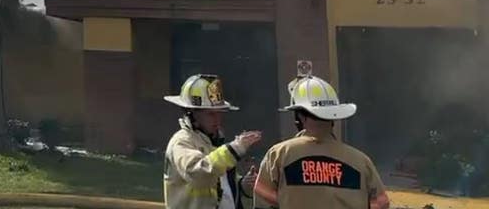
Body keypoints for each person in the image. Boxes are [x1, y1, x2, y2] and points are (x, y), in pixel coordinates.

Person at [253, 74, 390, 209]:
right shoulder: (361, 161)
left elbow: (263, 198)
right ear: (334, 117)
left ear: (300, 116)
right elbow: (381, 203)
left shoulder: (279, 155)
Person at [163, 73, 264, 209]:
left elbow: (220, 184)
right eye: (210, 114)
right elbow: (199, 174)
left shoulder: (214, 142)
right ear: (191, 113)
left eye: (219, 113)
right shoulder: (181, 142)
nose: (217, 120)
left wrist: (242, 185)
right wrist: (234, 149)